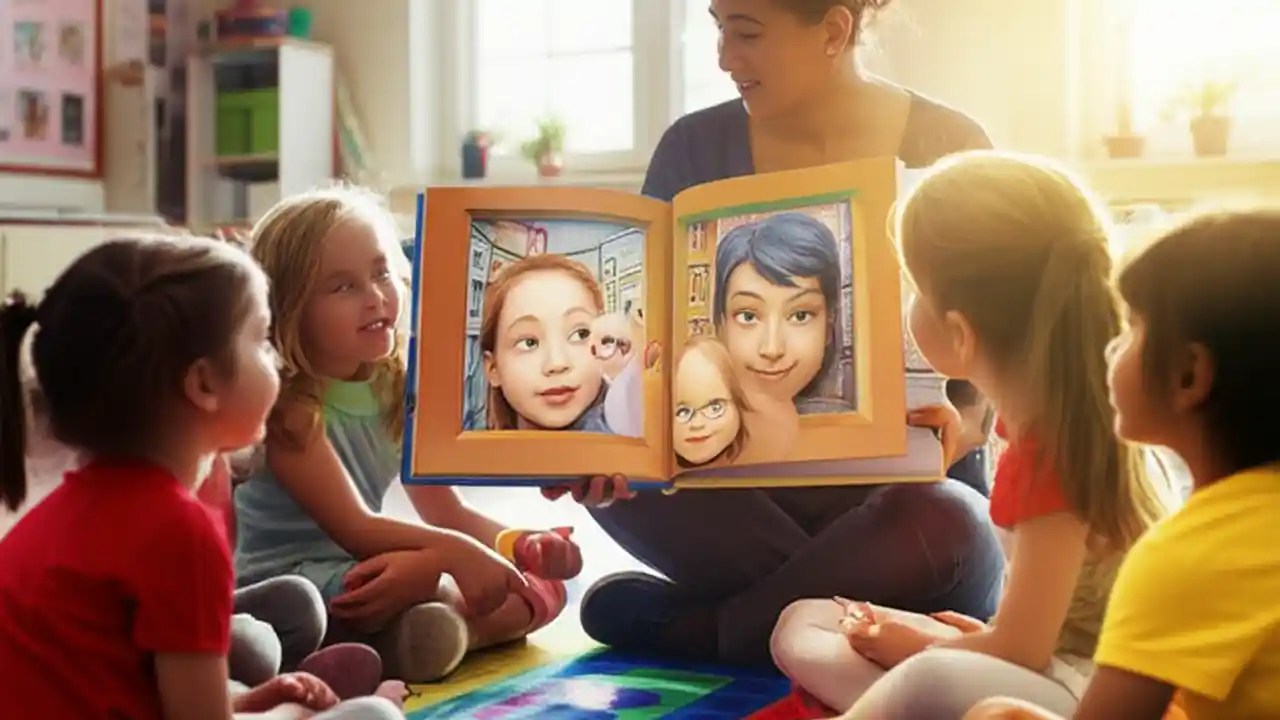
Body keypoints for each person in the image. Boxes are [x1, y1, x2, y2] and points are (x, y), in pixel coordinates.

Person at [560, 0, 1004, 665]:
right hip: (738, 492)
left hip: (899, 497)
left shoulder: (951, 146)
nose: (723, 57)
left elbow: (1004, 341)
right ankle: (820, 609)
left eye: (746, 33)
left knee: (948, 523)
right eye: (718, 27)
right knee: (589, 452)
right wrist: (618, 436)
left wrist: (967, 425)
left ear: (833, 31)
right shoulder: (693, 148)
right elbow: (645, 346)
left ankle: (713, 630)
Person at [774, 151, 1172, 716]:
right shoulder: (1047, 413)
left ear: (960, 332)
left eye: (914, 289)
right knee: (804, 621)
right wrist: (968, 638)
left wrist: (931, 647)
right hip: (1039, 660)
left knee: (927, 677)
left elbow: (1026, 650)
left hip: (1086, 690)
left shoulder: (1057, 451)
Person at [0, 236, 401, 719]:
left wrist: (244, 702)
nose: (276, 360)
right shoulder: (177, 530)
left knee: (290, 617)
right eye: (261, 340)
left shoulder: (73, 505)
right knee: (374, 717)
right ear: (205, 384)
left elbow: (118, 670)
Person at [233, 186, 583, 683]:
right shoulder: (288, 408)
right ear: (289, 308)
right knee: (442, 582)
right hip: (295, 584)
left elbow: (447, 512)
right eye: (342, 287)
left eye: (380, 273)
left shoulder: (395, 385)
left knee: (526, 582)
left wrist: (520, 545)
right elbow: (355, 527)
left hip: (370, 565)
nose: (376, 296)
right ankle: (434, 627)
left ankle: (445, 632)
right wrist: (450, 557)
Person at [965, 210, 1280, 720]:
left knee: (996, 716)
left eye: (1132, 328)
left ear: (1187, 375)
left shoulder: (1186, 555)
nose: (1113, 347)